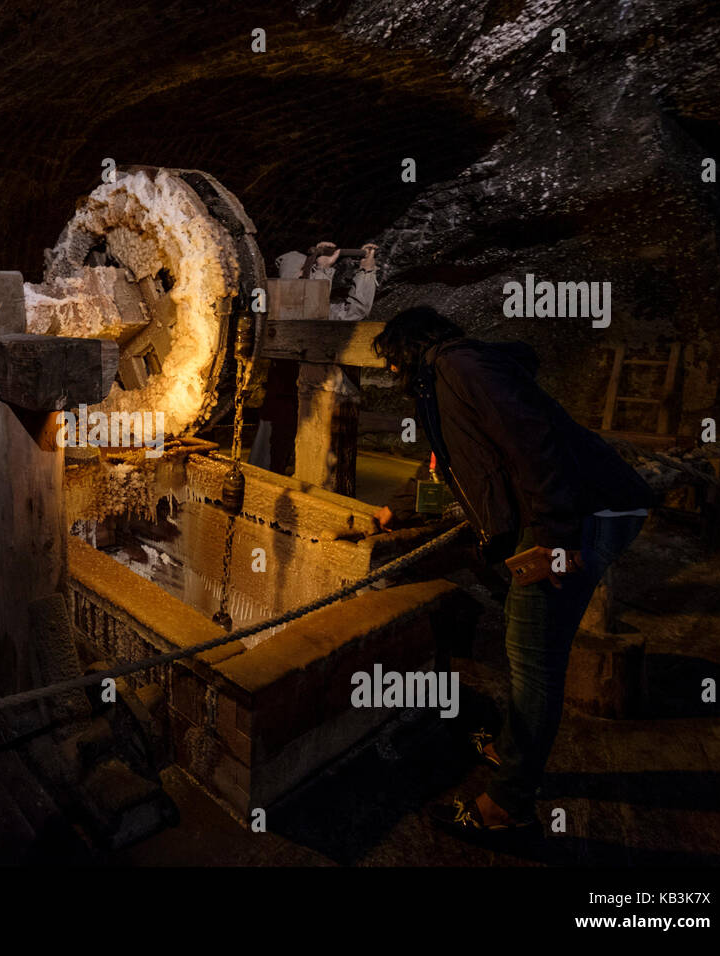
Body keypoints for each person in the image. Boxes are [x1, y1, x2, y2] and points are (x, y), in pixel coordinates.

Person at [370, 306, 653, 840]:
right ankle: (512, 749)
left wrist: (553, 540)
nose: (389, 373)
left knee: (534, 658)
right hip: (574, 515)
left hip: (584, 517)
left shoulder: (459, 367)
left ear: (410, 345)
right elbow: (444, 465)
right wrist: (393, 512)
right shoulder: (447, 380)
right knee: (527, 644)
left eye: (389, 359)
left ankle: (508, 805)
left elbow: (534, 443)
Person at [251, 241, 380, 474]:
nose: (305, 279)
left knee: (309, 466)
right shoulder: (271, 307)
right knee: (268, 463)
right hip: (283, 397)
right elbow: (309, 309)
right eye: (303, 274)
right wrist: (321, 270)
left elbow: (355, 311)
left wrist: (367, 270)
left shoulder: (319, 308)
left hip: (311, 398)